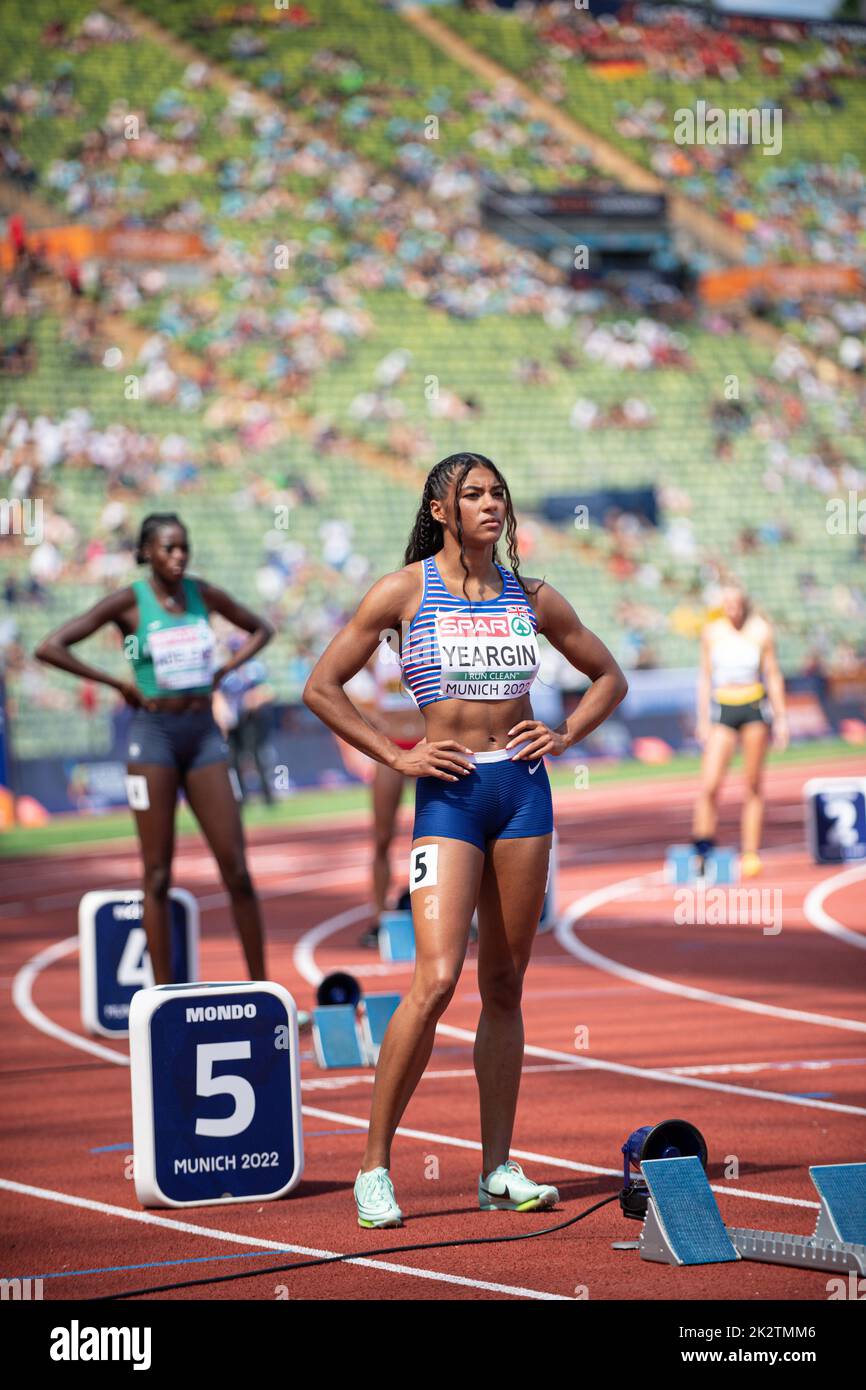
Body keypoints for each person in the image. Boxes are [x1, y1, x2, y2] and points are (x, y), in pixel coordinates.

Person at [303, 451, 628, 1228]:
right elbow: (320, 687)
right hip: (449, 794)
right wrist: (397, 752)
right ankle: (375, 1166)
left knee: (506, 983)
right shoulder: (403, 590)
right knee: (438, 977)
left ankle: (497, 1168)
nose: (491, 504)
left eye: (498, 493)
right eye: (473, 494)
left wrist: (566, 733)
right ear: (441, 509)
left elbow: (608, 675)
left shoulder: (533, 594)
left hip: (523, 792)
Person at [35, 512, 274, 983]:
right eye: (168, 548)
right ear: (146, 553)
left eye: (184, 547)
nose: (179, 556)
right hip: (154, 738)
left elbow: (262, 628)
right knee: (158, 875)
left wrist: (225, 671)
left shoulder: (202, 595)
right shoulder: (129, 602)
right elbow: (51, 646)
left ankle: (264, 991)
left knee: (238, 872)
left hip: (204, 736)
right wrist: (116, 684)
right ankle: (163, 998)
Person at [693, 584, 789, 878]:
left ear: (744, 603)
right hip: (723, 706)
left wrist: (782, 718)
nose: (732, 608)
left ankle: (750, 852)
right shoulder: (712, 632)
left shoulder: (760, 630)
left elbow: (772, 673)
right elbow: (705, 676)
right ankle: (702, 849)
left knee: (753, 783)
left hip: (753, 706)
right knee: (710, 783)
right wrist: (702, 719)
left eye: (736, 603)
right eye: (727, 604)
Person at [344, 640, 426, 947]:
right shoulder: (378, 648)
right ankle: (379, 919)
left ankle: (458, 916)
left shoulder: (431, 633)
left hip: (427, 742)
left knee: (443, 836)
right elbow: (339, 678)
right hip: (390, 748)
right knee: (382, 837)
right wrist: (369, 716)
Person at [213, 634, 276, 805]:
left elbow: (268, 691)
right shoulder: (226, 671)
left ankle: (267, 797)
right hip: (233, 721)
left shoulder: (254, 668)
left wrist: (254, 699)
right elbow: (218, 695)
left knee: (256, 755)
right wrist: (222, 716)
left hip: (251, 721)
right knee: (233, 759)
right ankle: (241, 798)